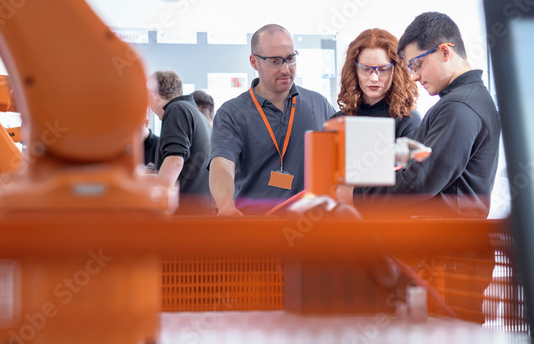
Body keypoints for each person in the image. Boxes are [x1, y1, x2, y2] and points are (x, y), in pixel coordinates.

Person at [355, 12, 500, 217]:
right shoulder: (468, 99)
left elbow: (419, 182)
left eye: (417, 64)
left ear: (444, 52)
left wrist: (358, 195)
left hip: (449, 244)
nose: (414, 76)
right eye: (410, 68)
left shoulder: (459, 107)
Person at [209, 24, 336, 216]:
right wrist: (226, 205)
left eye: (291, 59)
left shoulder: (319, 104)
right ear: (254, 62)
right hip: (256, 228)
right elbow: (222, 164)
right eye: (275, 61)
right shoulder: (232, 113)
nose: (286, 69)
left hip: (309, 228)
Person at [332, 28, 420, 139]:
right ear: (354, 71)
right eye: (365, 68)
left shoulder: (407, 121)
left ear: (396, 71)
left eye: (383, 69)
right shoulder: (337, 121)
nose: (374, 78)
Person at [146, 70, 212, 208]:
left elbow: (174, 160)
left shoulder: (176, 110)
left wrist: (157, 200)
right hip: (202, 210)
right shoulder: (193, 112)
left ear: (153, 96)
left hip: (188, 213)